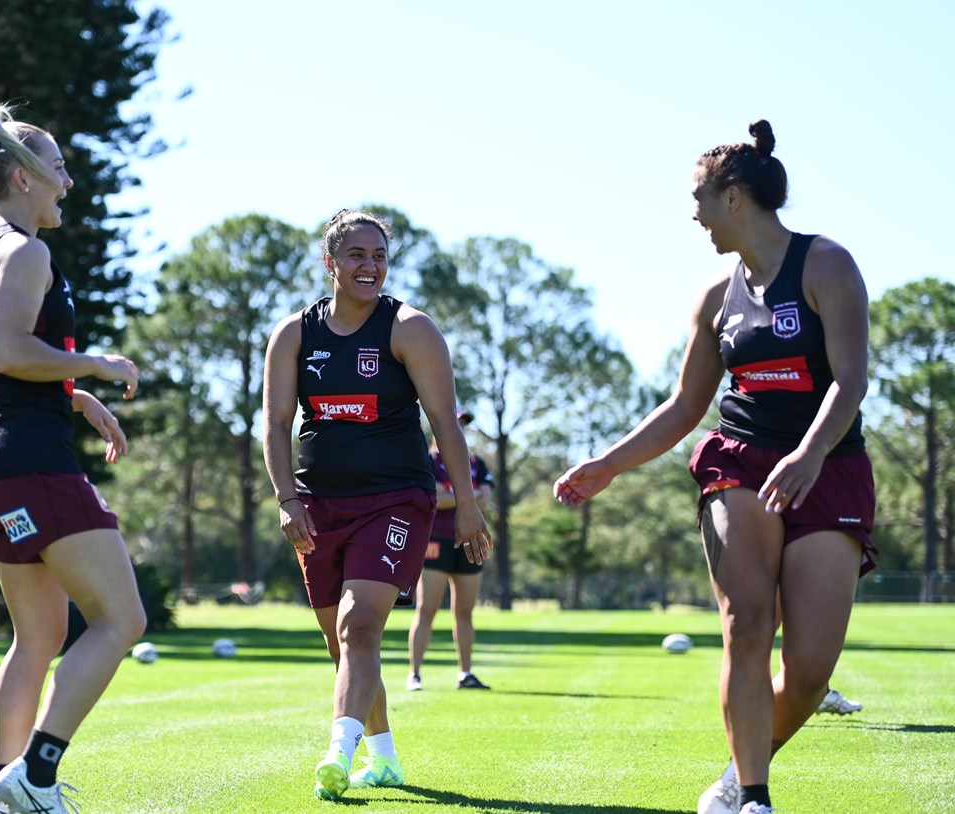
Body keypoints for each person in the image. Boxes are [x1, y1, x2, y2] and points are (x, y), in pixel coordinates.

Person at [553, 121, 876, 814]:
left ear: (735, 196)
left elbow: (850, 380)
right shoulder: (712, 298)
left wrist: (811, 452)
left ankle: (735, 775)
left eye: (699, 196)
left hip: (829, 465)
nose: (692, 211)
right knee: (748, 622)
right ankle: (755, 796)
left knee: (813, 670)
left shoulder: (826, 264)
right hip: (741, 464)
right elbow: (681, 408)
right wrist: (607, 464)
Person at [263, 209, 493, 802]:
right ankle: (384, 758)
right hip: (318, 505)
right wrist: (287, 500)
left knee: (359, 625)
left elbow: (446, 423)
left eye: (380, 256)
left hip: (396, 499)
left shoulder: (411, 328)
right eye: (358, 256)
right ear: (330, 263)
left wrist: (465, 506)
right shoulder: (293, 334)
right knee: (344, 644)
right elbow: (276, 425)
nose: (371, 267)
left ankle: (338, 754)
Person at [0, 103, 147, 814]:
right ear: (23, 176)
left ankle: (7, 792)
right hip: (35, 465)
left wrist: (73, 398)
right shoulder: (28, 252)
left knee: (36, 637)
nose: (68, 184)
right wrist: (92, 365)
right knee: (122, 620)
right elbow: (9, 351)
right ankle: (36, 775)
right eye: (59, 170)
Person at [406, 408, 495, 691]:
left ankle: (465, 673)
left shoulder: (477, 464)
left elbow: (485, 501)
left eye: (464, 425)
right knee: (427, 609)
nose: (461, 429)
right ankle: (415, 674)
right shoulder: (426, 461)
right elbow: (433, 498)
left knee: (465, 611)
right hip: (436, 541)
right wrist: (467, 495)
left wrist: (453, 496)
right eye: (456, 423)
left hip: (470, 540)